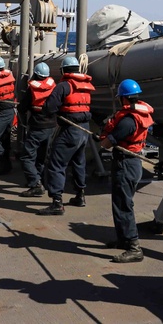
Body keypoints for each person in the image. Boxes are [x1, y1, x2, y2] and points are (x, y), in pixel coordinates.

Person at [96, 78, 154, 263]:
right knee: (120, 202)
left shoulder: (128, 121)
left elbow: (106, 144)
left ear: (124, 99)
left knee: (124, 206)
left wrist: (101, 139)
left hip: (126, 164)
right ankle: (123, 239)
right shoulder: (139, 116)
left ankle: (134, 247)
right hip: (131, 162)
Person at [38, 56, 95, 216]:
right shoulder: (86, 86)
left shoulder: (64, 86)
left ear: (63, 70)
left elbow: (49, 107)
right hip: (84, 130)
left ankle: (57, 202)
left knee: (56, 164)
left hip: (70, 129)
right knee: (79, 162)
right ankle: (80, 195)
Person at [17, 62, 56, 198]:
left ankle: (35, 184)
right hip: (51, 127)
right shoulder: (53, 87)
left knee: (27, 157)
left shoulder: (32, 90)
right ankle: (40, 180)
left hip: (37, 127)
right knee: (42, 156)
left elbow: (22, 108)